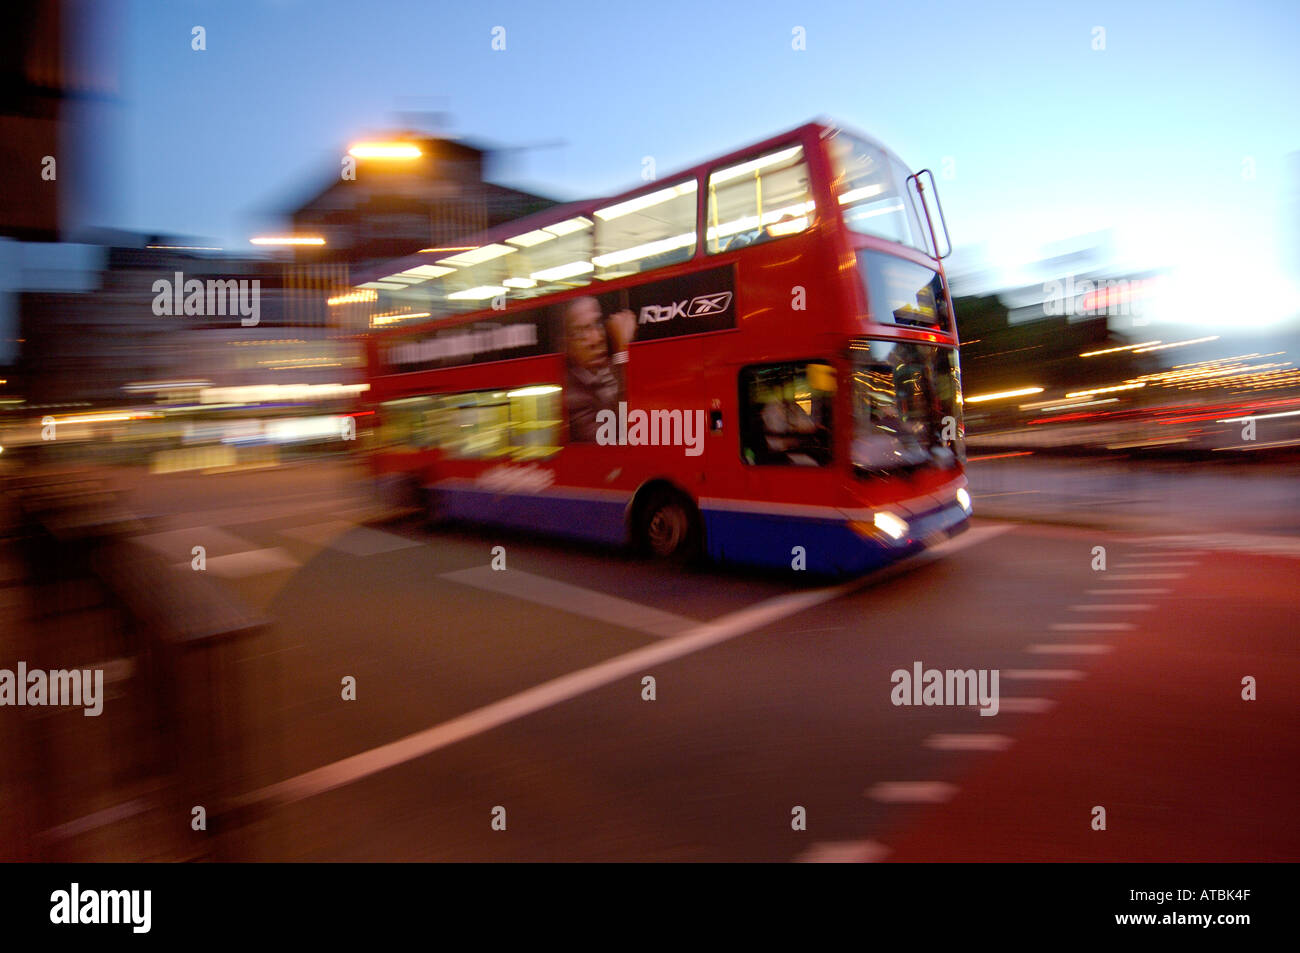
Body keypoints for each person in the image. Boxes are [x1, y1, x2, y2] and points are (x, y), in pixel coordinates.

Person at [562, 296, 636, 442]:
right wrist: (622, 349)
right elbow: (618, 437)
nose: (597, 339)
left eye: (598, 324)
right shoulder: (573, 399)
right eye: (581, 332)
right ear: (567, 345)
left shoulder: (607, 368)